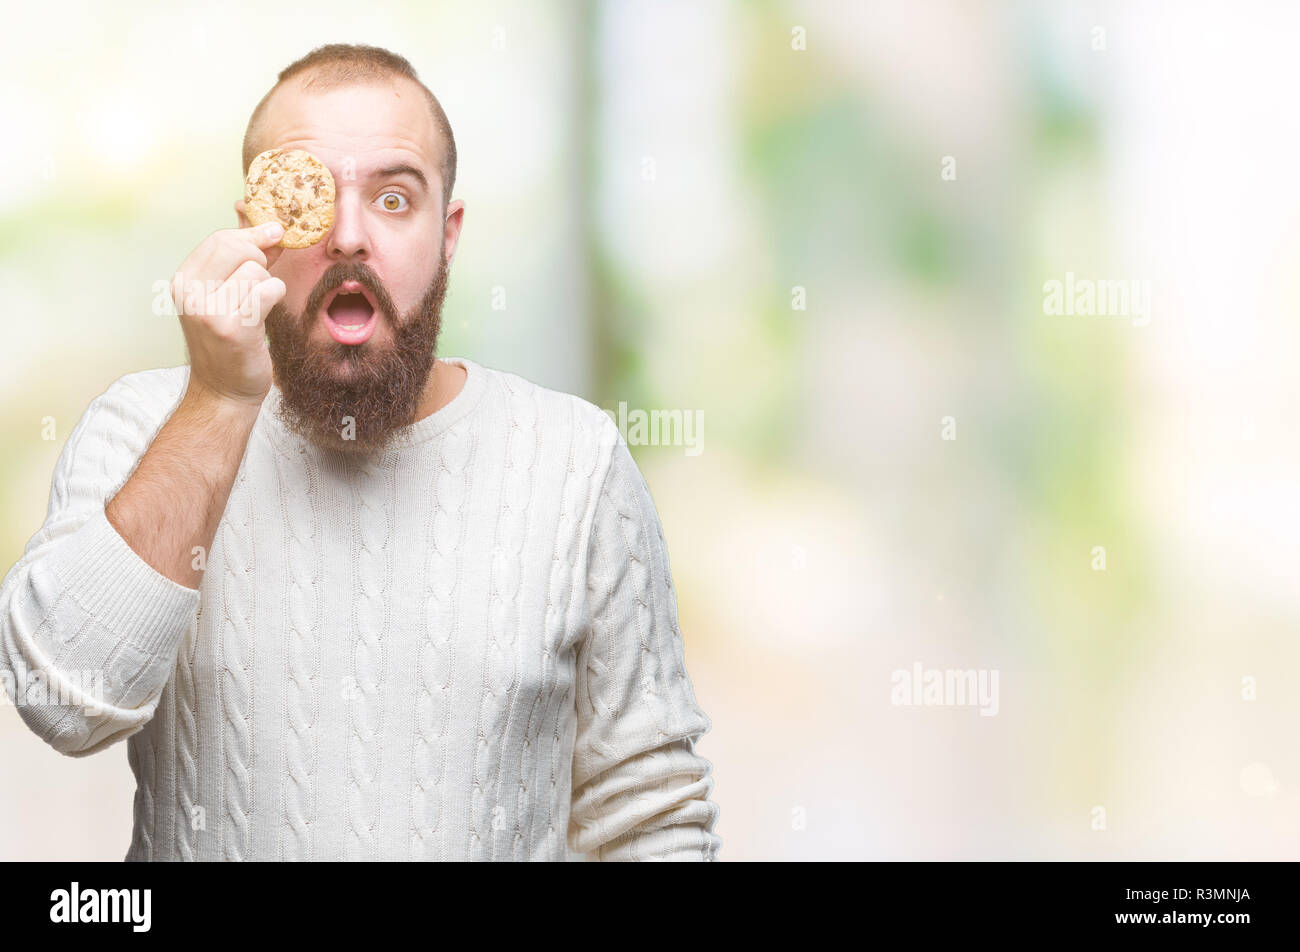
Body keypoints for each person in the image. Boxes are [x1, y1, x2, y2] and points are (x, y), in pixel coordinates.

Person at [0, 43, 720, 861]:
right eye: (311, 194)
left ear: (448, 237)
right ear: (256, 230)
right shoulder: (141, 427)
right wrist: (219, 402)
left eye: (392, 197)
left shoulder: (573, 462)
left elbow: (650, 816)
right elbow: (64, 704)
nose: (347, 237)